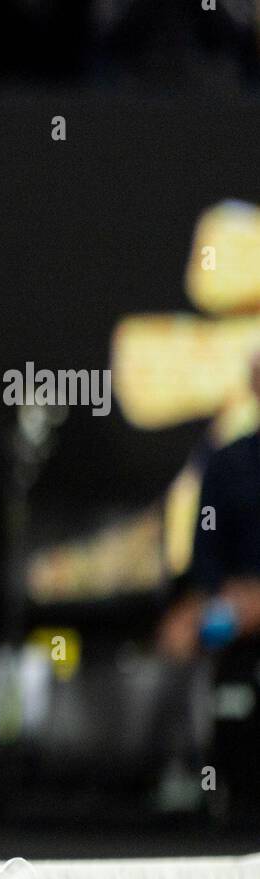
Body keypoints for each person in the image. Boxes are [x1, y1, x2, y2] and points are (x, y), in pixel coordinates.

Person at [157, 351, 260, 827]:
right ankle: (190, 769)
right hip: (234, 604)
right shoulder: (226, 460)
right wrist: (215, 596)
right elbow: (205, 552)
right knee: (178, 636)